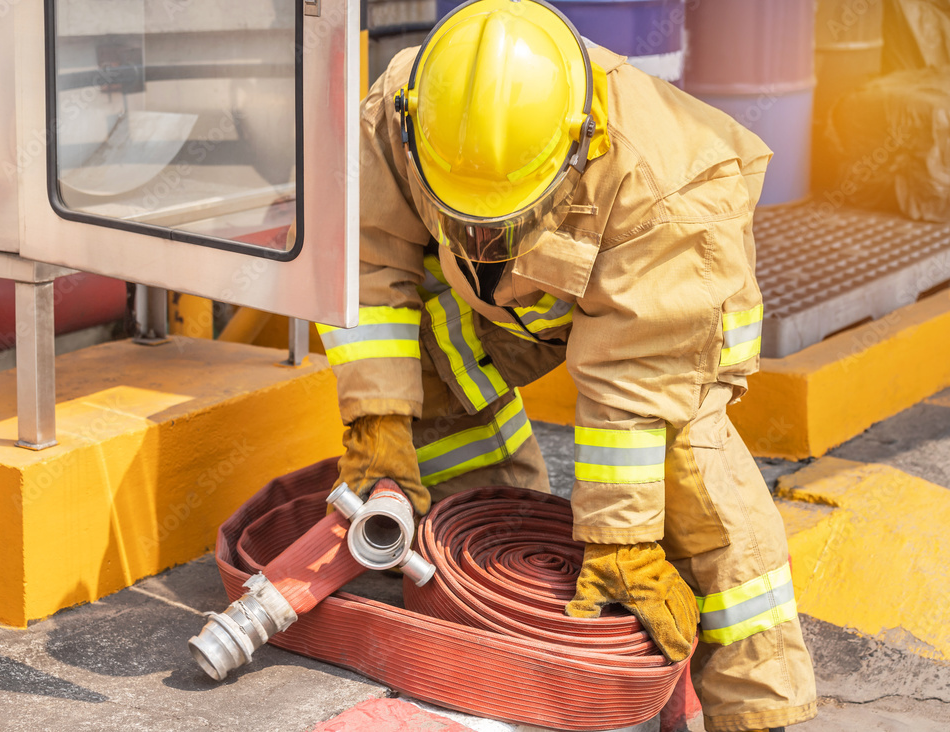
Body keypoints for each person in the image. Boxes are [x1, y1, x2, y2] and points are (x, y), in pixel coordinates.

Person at [316, 1, 817, 729]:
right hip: (512, 298)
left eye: (499, 217)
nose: (478, 233)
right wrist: (379, 420)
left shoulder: (674, 187)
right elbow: (365, 263)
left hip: (665, 325)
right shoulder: (406, 108)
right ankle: (493, 562)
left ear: (580, 148)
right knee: (421, 374)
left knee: (698, 492)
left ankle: (757, 711)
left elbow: (632, 391)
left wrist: (623, 540)